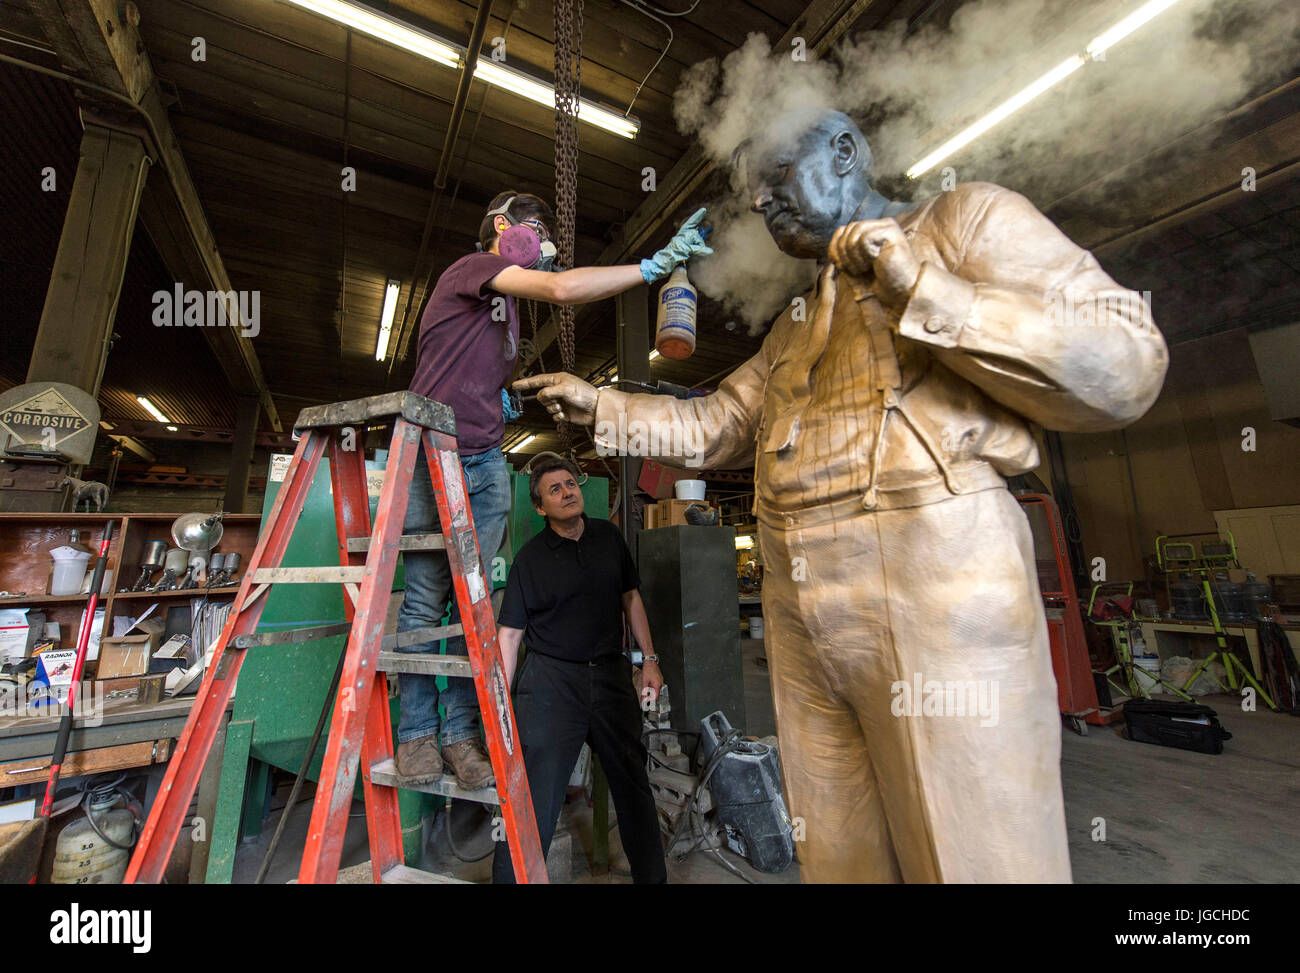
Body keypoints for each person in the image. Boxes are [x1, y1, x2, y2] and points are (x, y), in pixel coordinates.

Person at [512, 110, 1169, 882]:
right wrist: (605, 409)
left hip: (935, 580)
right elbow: (720, 421)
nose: (760, 202)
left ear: (846, 152)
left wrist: (925, 285)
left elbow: (1126, 364)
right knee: (837, 846)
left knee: (975, 846)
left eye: (774, 176)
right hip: (800, 603)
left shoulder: (963, 220)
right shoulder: (798, 318)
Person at [396, 192, 711, 790]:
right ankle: (415, 736)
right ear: (499, 227)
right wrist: (651, 266)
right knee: (423, 598)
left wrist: (499, 397)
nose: (543, 244)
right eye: (534, 230)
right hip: (431, 450)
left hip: (485, 460)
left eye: (547, 234)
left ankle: (460, 737)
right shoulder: (473, 269)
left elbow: (471, 363)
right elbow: (564, 290)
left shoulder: (507, 309)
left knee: (471, 603)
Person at [490, 455, 667, 883]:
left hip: (609, 676)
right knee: (534, 797)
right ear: (540, 507)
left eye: (570, 484)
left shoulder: (608, 538)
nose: (568, 492)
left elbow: (631, 598)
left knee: (633, 787)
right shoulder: (529, 561)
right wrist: (499, 702)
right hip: (552, 683)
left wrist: (649, 660)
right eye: (555, 489)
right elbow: (510, 636)